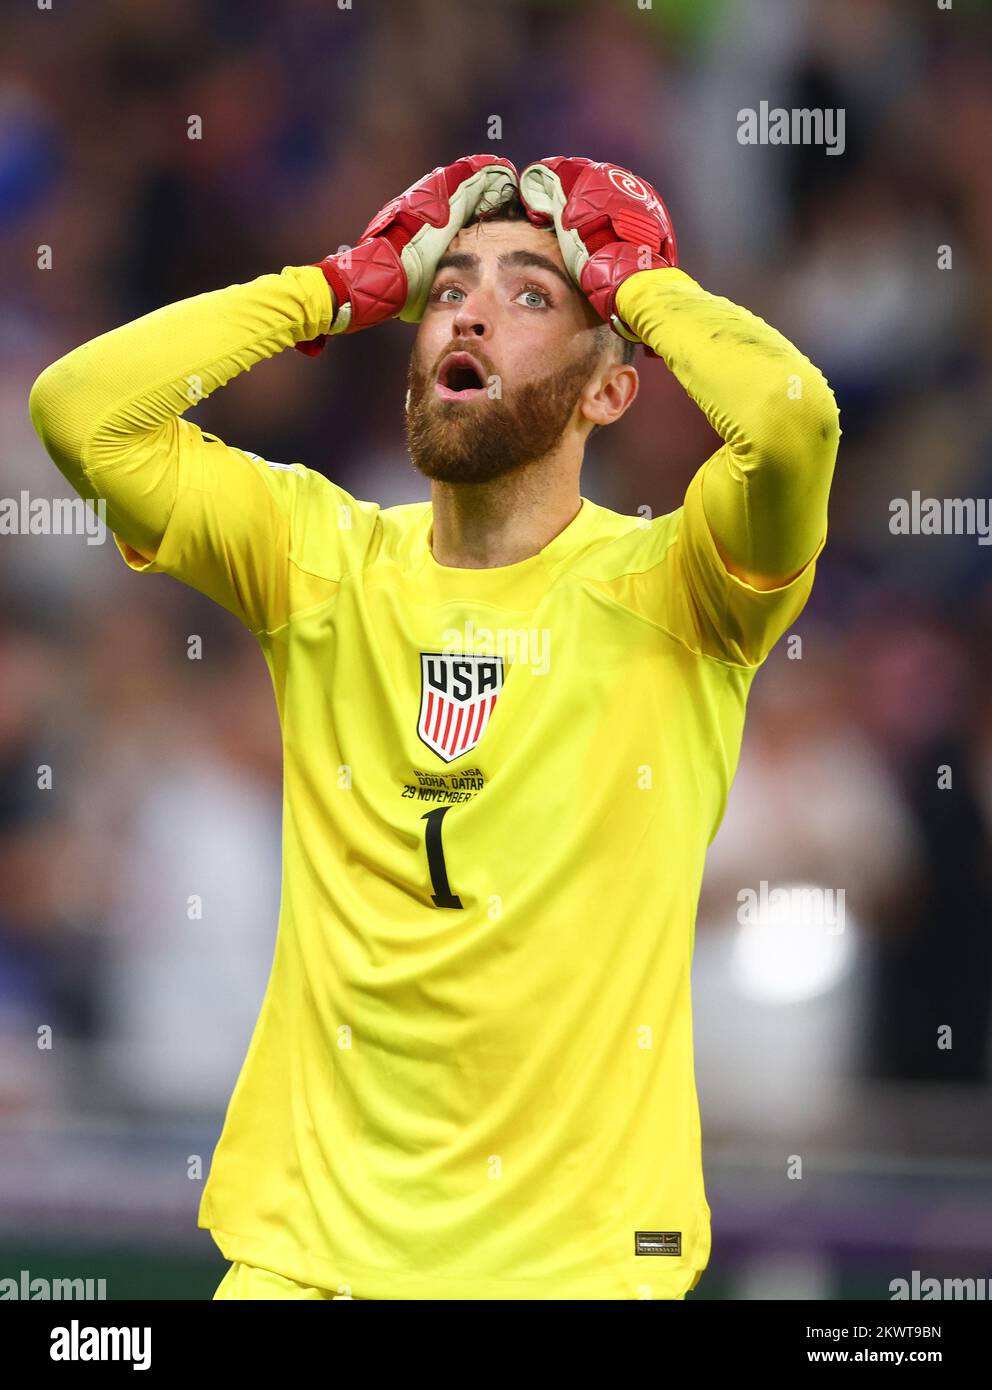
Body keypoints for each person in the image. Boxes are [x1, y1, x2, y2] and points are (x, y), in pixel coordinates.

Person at [29, 154, 840, 1300]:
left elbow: (793, 424)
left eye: (532, 295)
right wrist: (329, 286)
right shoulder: (322, 557)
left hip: (566, 1271)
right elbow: (81, 413)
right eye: (446, 284)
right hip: (306, 1263)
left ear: (611, 388)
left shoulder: (682, 588)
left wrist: (643, 289)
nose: (466, 308)